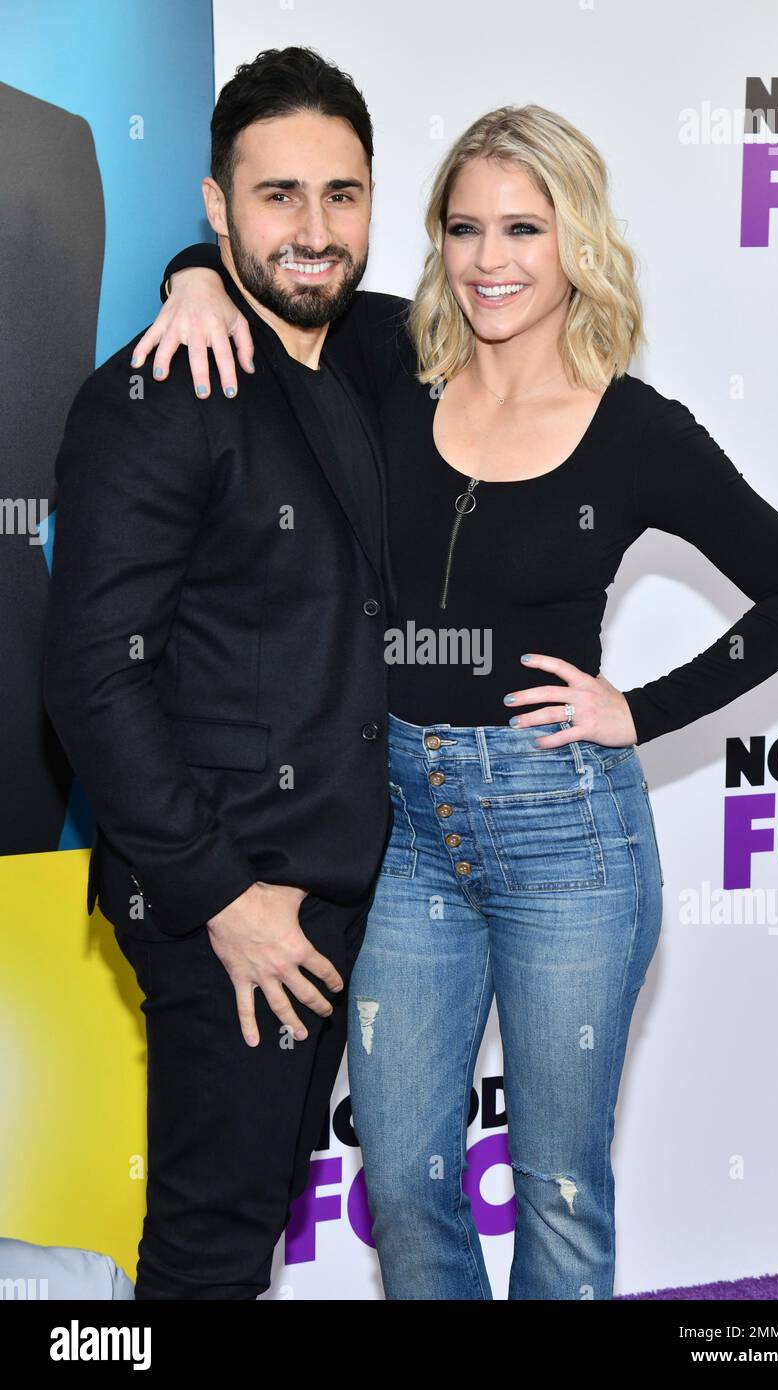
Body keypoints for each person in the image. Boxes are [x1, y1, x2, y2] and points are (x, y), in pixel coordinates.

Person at [136, 102, 778, 1299]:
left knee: (560, 1188)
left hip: (567, 829)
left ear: (578, 241)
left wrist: (642, 710)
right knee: (404, 1177)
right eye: (464, 228)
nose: (490, 259)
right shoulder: (391, 367)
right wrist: (191, 275)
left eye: (524, 227)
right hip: (401, 827)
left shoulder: (636, 433)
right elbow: (280, 280)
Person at [42, 47, 400, 1299]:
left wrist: (192, 276)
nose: (314, 231)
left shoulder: (363, 351)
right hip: (231, 899)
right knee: (209, 1246)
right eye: (277, 197)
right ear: (215, 202)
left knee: (248, 1217)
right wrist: (223, 898)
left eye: (341, 195)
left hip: (333, 885)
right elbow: (90, 677)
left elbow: (499, 295)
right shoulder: (157, 393)